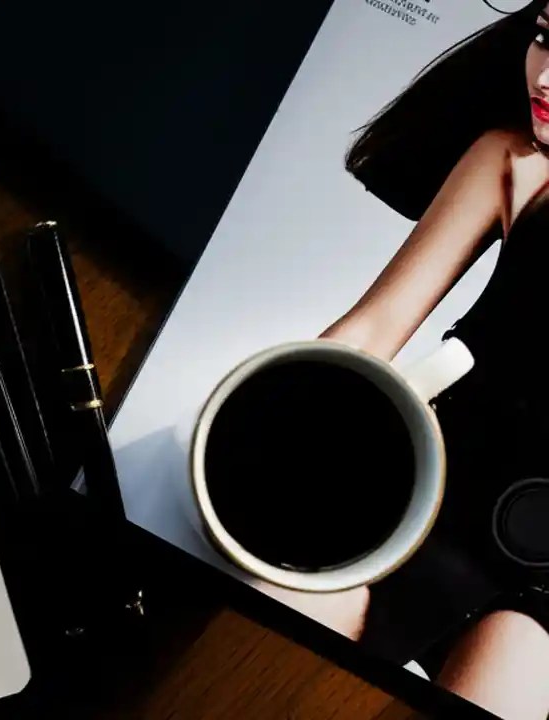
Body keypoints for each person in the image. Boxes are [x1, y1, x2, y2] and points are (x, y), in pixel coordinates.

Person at [266, 3, 549, 717]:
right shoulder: (511, 164)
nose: (545, 74)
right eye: (546, 36)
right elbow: (372, 328)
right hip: (424, 493)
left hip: (541, 572)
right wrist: (253, 428)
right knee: (257, 629)